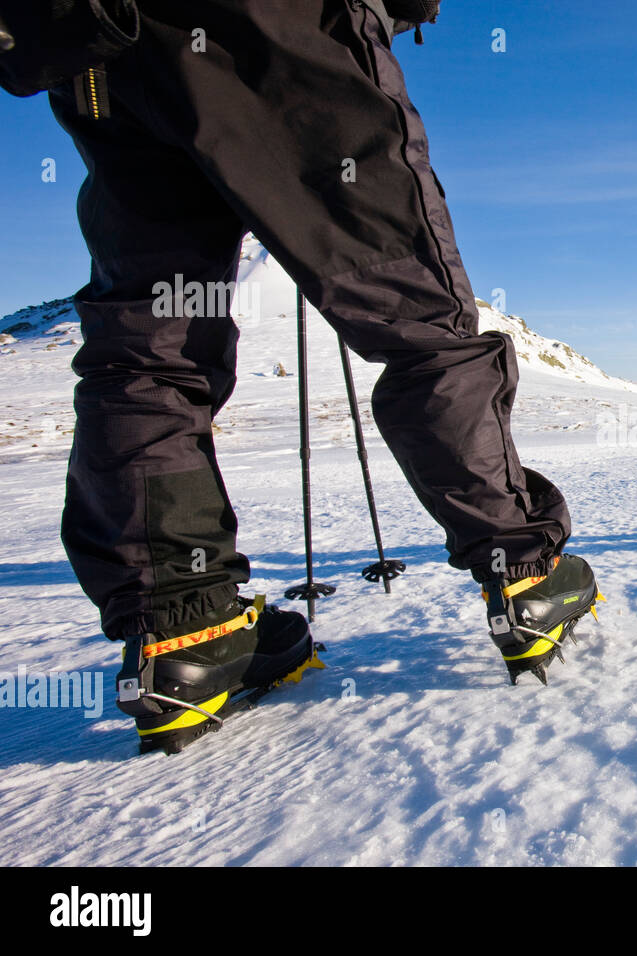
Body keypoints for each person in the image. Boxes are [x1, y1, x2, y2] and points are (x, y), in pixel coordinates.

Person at [19, 0, 600, 753]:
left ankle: (188, 634)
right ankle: (522, 572)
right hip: (278, 32)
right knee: (415, 312)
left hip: (102, 48)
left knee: (147, 346)